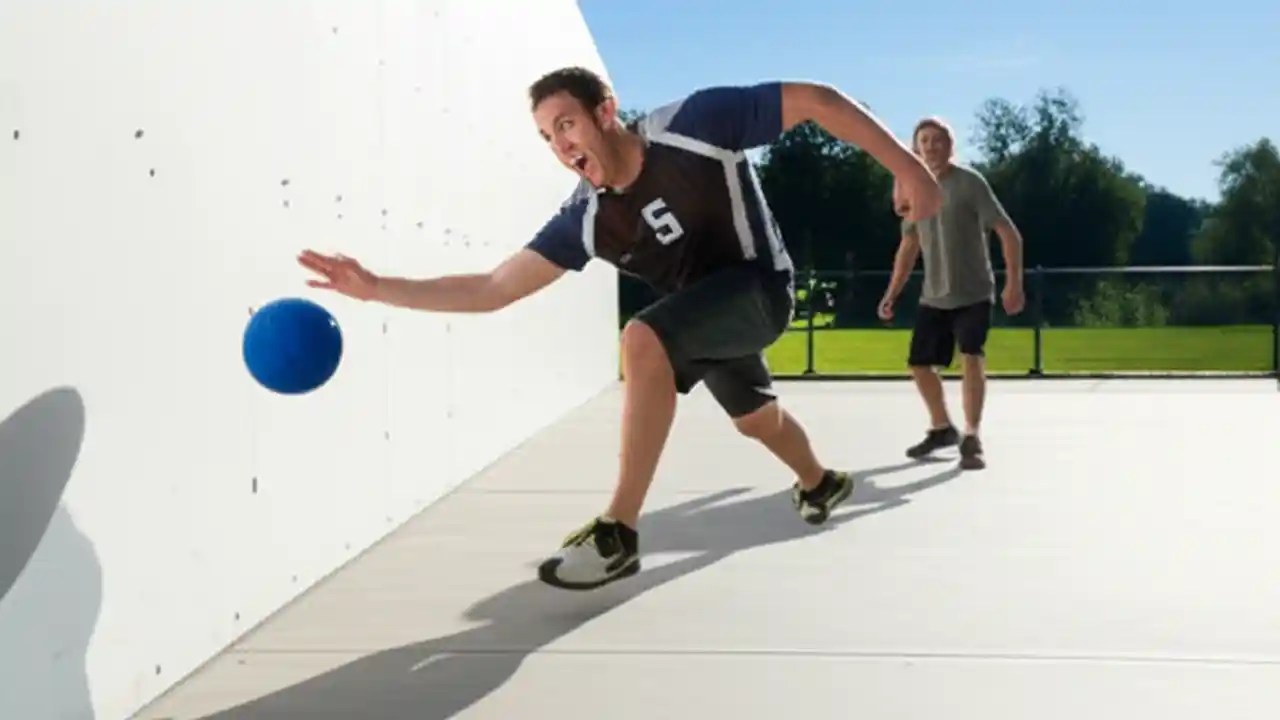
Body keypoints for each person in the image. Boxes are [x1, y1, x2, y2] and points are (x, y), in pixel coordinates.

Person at [297, 66, 943, 591]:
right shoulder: (585, 219)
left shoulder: (693, 126)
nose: (561, 146)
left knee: (640, 338)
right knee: (755, 419)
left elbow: (816, 100)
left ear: (605, 111)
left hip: (759, 290)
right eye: (548, 137)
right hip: (700, 318)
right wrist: (378, 288)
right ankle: (821, 481)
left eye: (567, 124)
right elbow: (493, 289)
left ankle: (619, 531)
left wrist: (907, 168)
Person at [878, 116, 1025, 470]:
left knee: (971, 355)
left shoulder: (970, 183)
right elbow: (909, 244)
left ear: (950, 145)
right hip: (934, 295)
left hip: (974, 291)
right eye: (924, 141)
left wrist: (1014, 282)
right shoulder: (915, 189)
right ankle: (942, 427)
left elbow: (1009, 233)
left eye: (937, 140)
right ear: (917, 148)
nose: (931, 147)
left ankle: (971, 437)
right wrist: (892, 292)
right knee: (918, 364)